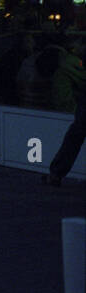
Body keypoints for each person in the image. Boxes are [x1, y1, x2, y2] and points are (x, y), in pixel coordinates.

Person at [45, 40, 86, 186]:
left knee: (75, 135)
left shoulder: (67, 67)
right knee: (76, 134)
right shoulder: (72, 66)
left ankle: (56, 173)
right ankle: (56, 173)